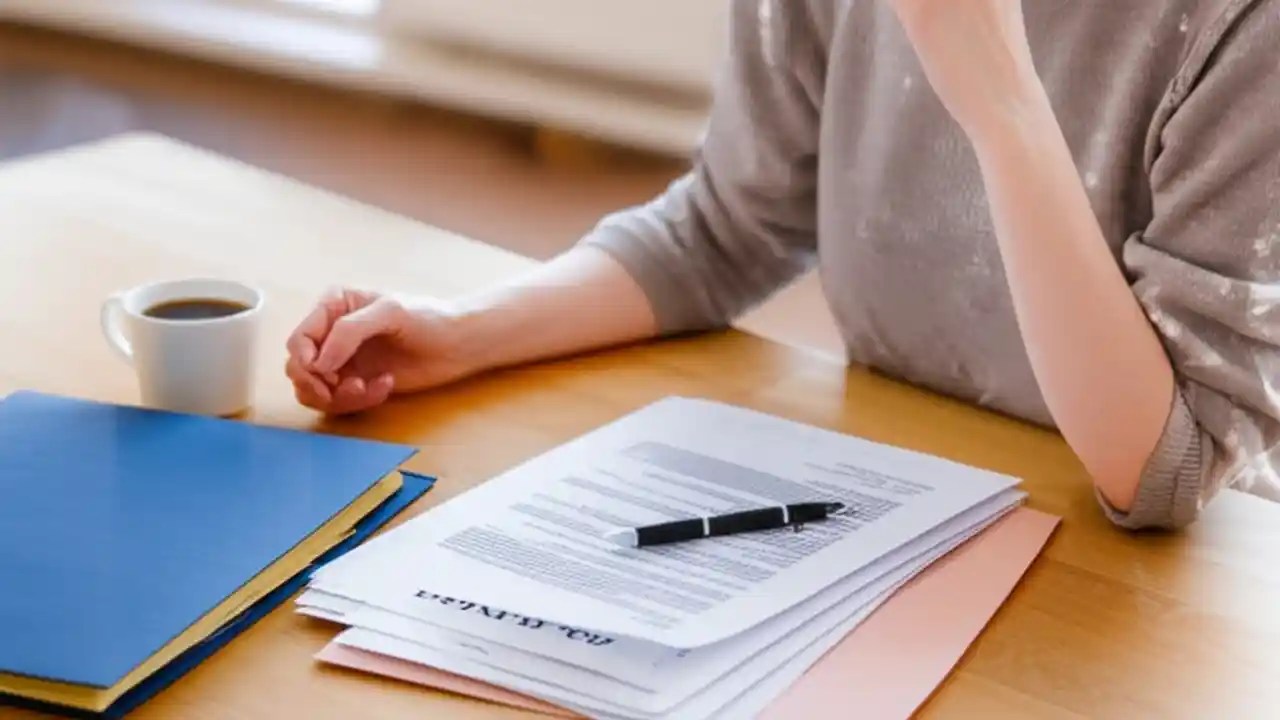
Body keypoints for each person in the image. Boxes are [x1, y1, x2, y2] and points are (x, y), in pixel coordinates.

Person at [285, 0, 1280, 530]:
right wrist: (462, 333)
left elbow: (1170, 467)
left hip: (1161, 590)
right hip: (898, 514)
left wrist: (1002, 104)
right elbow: (722, 230)